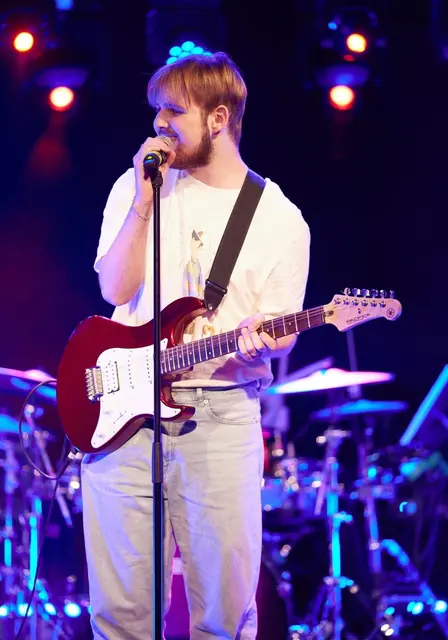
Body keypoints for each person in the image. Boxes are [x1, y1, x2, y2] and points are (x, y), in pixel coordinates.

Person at [81, 51, 310, 640]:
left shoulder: (280, 219)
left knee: (223, 619)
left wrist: (263, 344)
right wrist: (142, 201)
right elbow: (114, 289)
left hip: (223, 415)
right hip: (124, 415)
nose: (159, 123)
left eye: (173, 111)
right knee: (120, 616)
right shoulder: (138, 187)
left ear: (218, 118)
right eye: (156, 110)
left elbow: (280, 332)